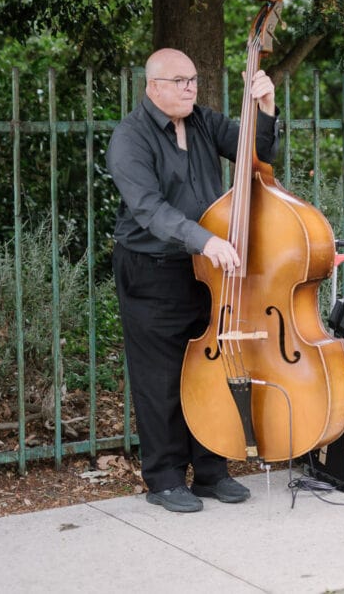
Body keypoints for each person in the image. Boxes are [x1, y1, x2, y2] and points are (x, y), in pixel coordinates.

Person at [107, 48, 279, 512]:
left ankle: (210, 471)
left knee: (212, 366)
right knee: (160, 376)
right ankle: (164, 479)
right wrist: (205, 240)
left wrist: (266, 109)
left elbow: (256, 156)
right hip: (153, 269)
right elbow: (149, 209)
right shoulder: (130, 138)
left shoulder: (203, 121)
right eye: (179, 80)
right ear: (153, 86)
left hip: (206, 267)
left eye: (194, 80)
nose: (189, 88)